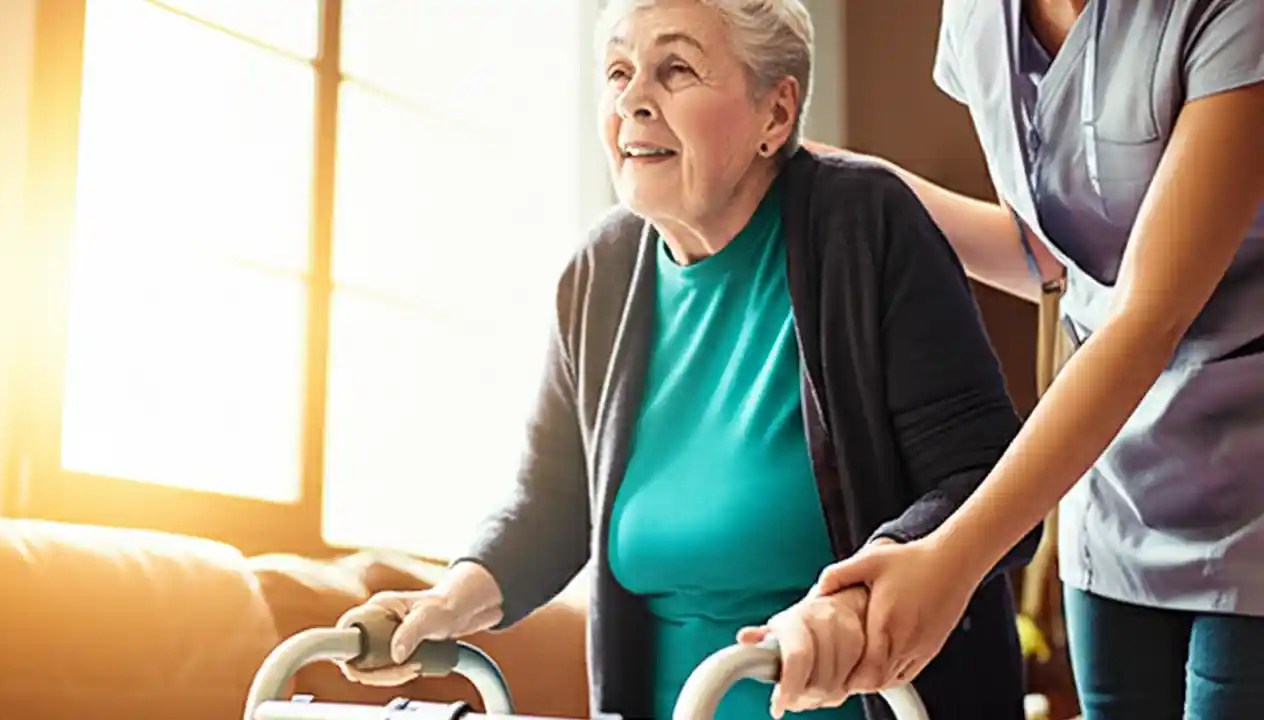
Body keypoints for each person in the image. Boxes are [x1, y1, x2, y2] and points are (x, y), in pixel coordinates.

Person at [335, 1, 1037, 718]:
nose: (633, 100)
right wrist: (451, 599)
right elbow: (551, 503)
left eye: (675, 69)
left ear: (776, 113)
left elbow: (979, 478)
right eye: (617, 71)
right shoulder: (599, 273)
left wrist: (858, 600)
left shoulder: (865, 227)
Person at [797, 1, 1264, 718]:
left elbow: (1147, 315)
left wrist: (954, 559)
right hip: (1114, 491)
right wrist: (851, 186)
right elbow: (1054, 256)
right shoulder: (981, 17)